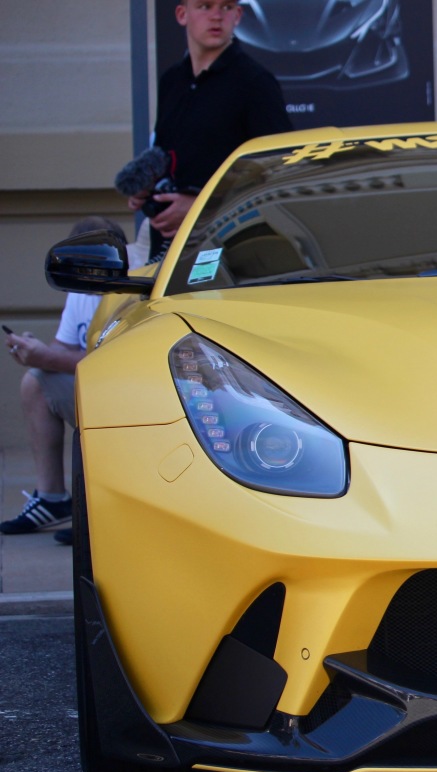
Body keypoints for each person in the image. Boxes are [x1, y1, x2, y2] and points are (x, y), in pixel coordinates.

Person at [1, 218, 145, 541]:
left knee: (60, 377)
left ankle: (106, 512)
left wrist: (47, 358)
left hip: (130, 404)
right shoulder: (80, 289)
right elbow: (62, 349)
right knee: (36, 381)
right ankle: (52, 498)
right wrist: (33, 351)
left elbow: (115, 367)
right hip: (96, 396)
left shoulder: (130, 291)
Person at [130, 0, 291, 260]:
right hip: (170, 251)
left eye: (226, 7)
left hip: (232, 250)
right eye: (205, 6)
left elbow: (278, 172)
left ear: (237, 15)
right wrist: (146, 188)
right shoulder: (171, 81)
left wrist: (201, 208)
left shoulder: (255, 82)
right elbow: (167, 154)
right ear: (182, 14)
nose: (216, 16)